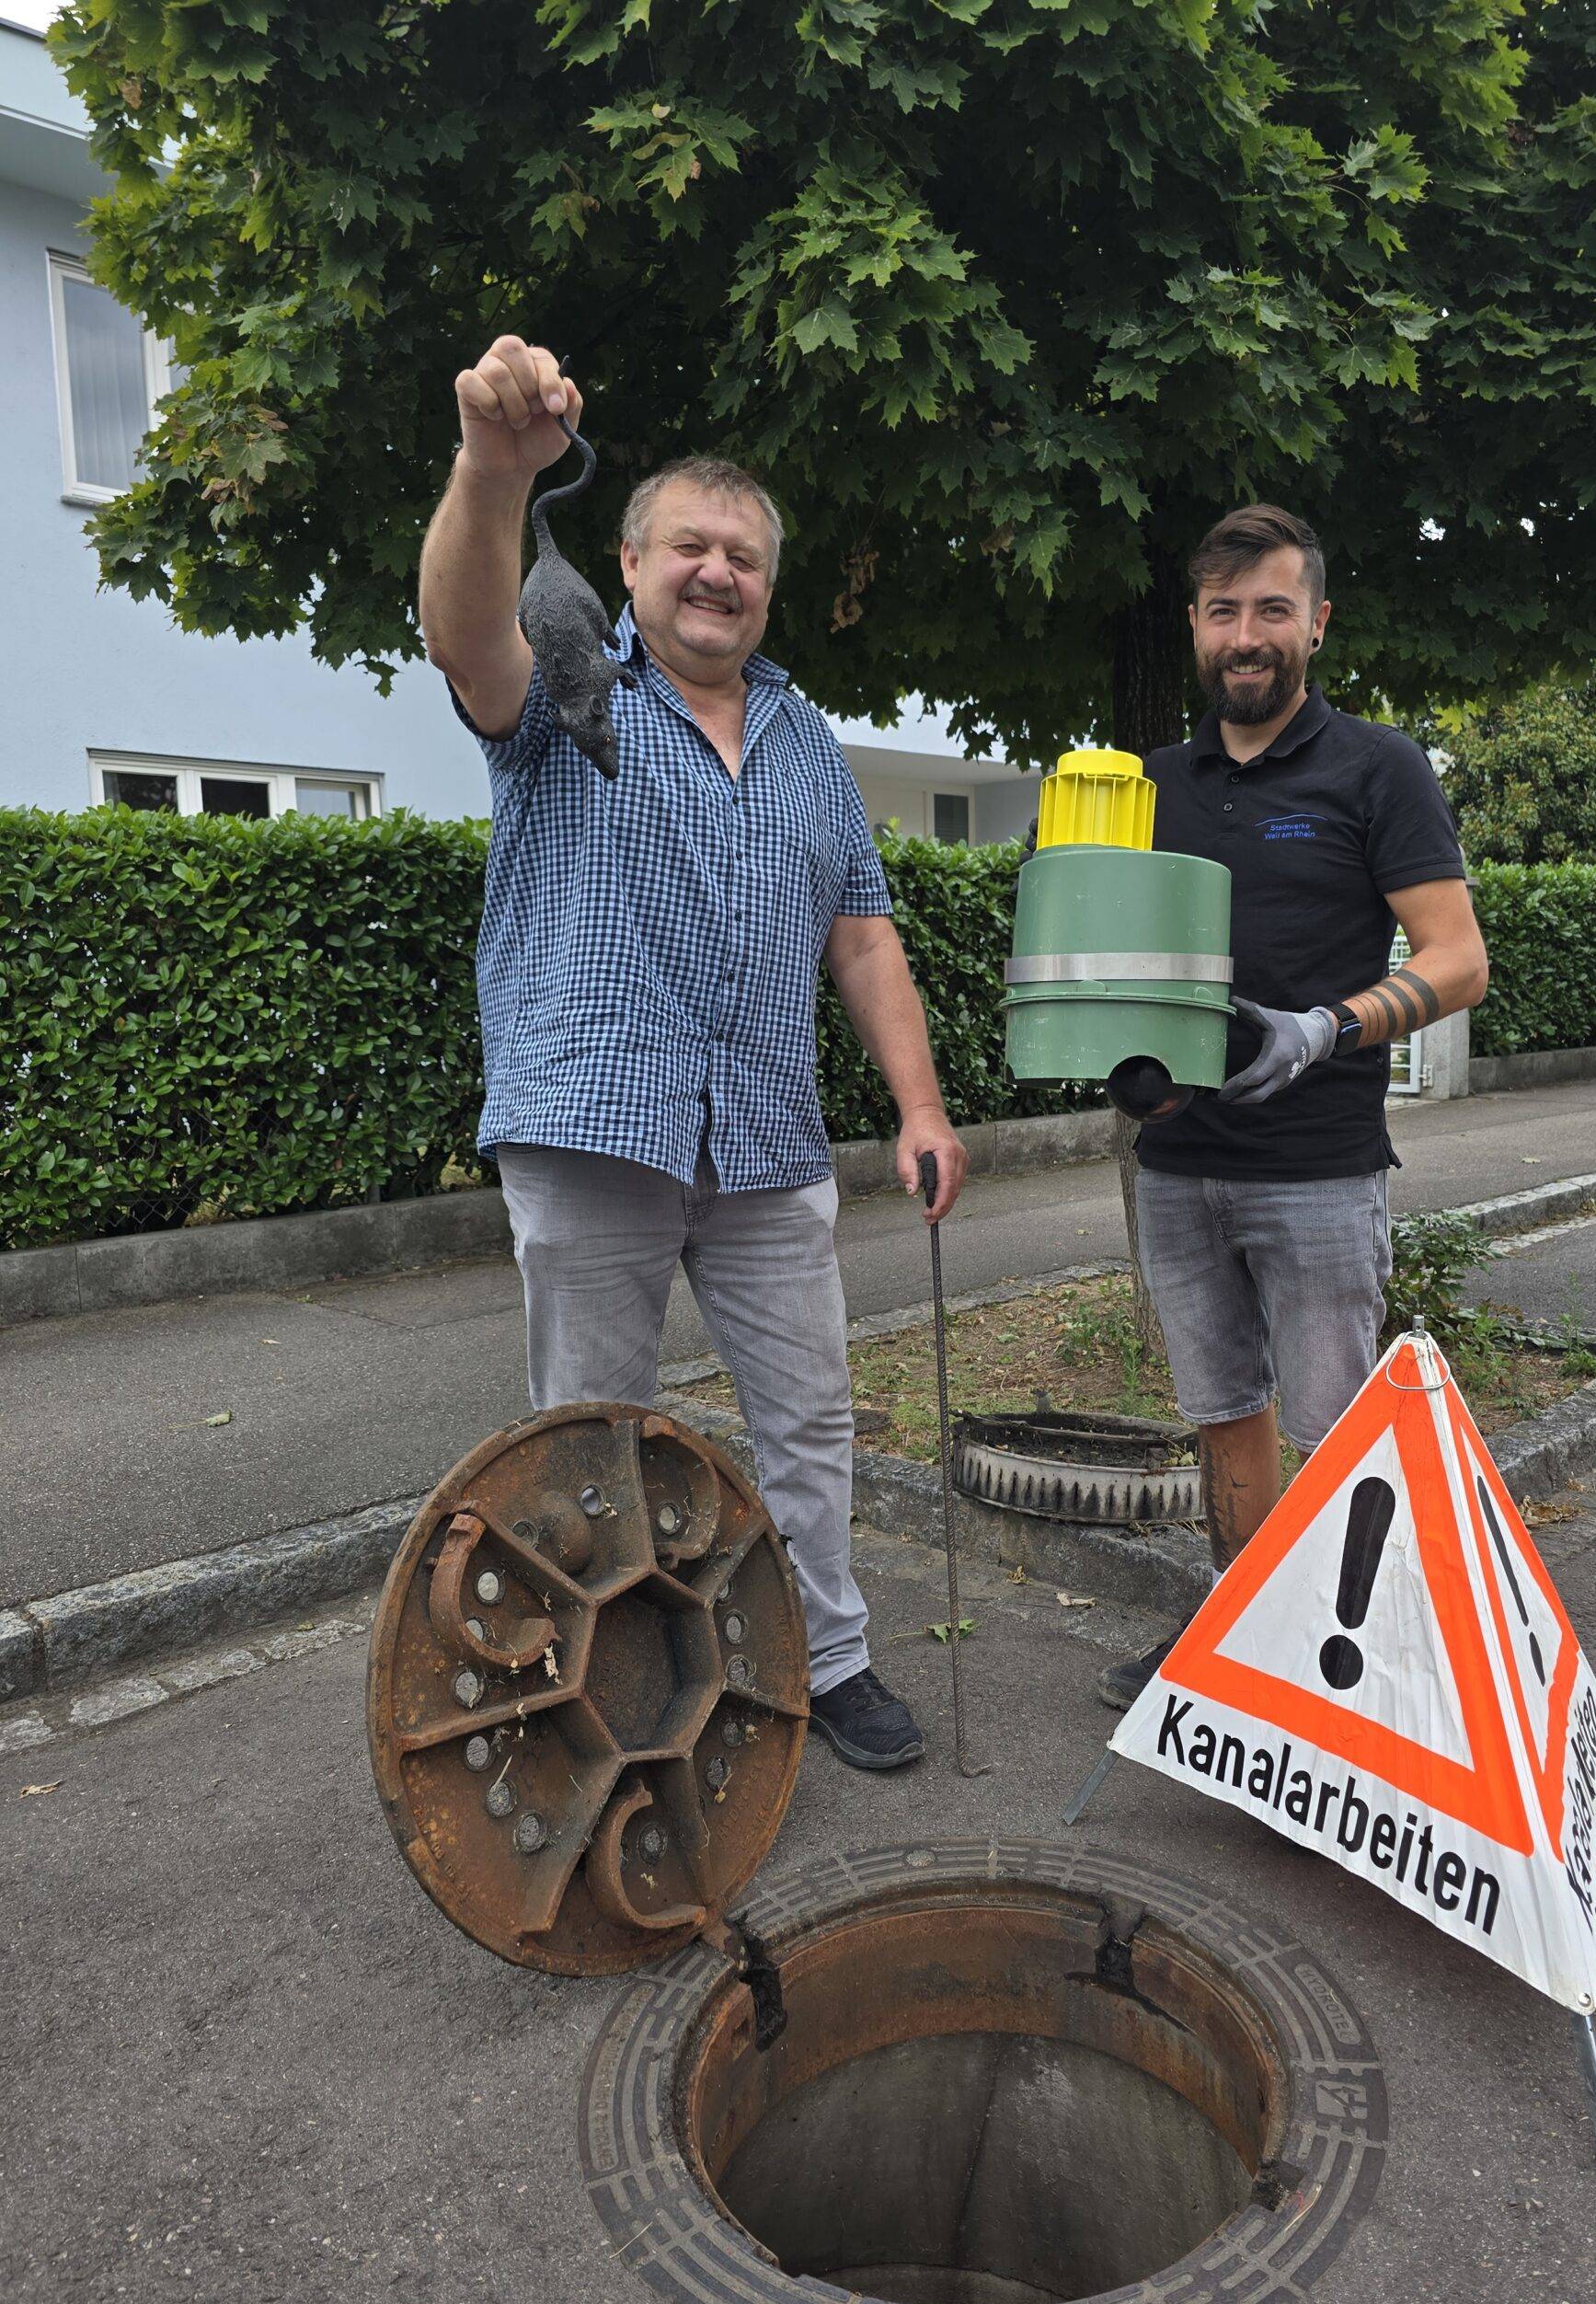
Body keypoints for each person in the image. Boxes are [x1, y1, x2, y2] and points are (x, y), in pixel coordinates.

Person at [419, 335, 969, 1771]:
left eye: (743, 555)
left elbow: (862, 933)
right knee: (590, 1441)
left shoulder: (805, 742)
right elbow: (464, 635)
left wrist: (919, 1105)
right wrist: (493, 467)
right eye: (689, 547)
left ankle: (827, 1660)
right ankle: (583, 1685)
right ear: (629, 559)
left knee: (809, 1427)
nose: (716, 572)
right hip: (595, 1120)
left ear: (767, 588)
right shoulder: (566, 682)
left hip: (768, 1137)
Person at [1098, 503, 1487, 1711]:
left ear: (1317, 621)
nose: (1247, 634)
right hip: (1180, 1164)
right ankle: (1242, 1639)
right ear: (1199, 631)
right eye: (1224, 612)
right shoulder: (1152, 783)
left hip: (1318, 1163)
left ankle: (1351, 1673)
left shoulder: (1379, 767)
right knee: (1222, 1412)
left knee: (1340, 1435)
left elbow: (1460, 957)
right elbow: (1119, 962)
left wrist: (1332, 1026)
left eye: (1273, 607)